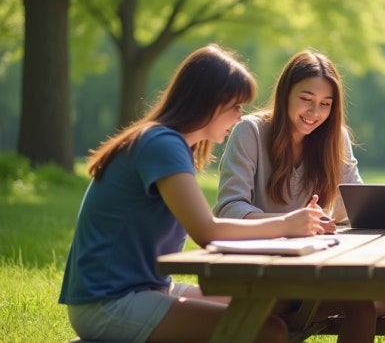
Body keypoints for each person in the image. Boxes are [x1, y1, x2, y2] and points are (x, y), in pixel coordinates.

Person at [59, 44, 331, 343]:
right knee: (269, 332)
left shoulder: (170, 144)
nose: (240, 118)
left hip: (149, 289)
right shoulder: (161, 144)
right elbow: (206, 231)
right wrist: (286, 224)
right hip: (109, 301)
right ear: (210, 103)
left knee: (274, 305)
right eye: (236, 107)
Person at [214, 49, 377, 342]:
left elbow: (353, 204)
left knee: (365, 305)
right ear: (285, 92)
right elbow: (228, 208)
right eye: (306, 100)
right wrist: (291, 222)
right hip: (261, 272)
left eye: (325, 104)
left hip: (312, 270)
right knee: (278, 317)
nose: (315, 113)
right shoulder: (250, 132)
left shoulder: (334, 137)